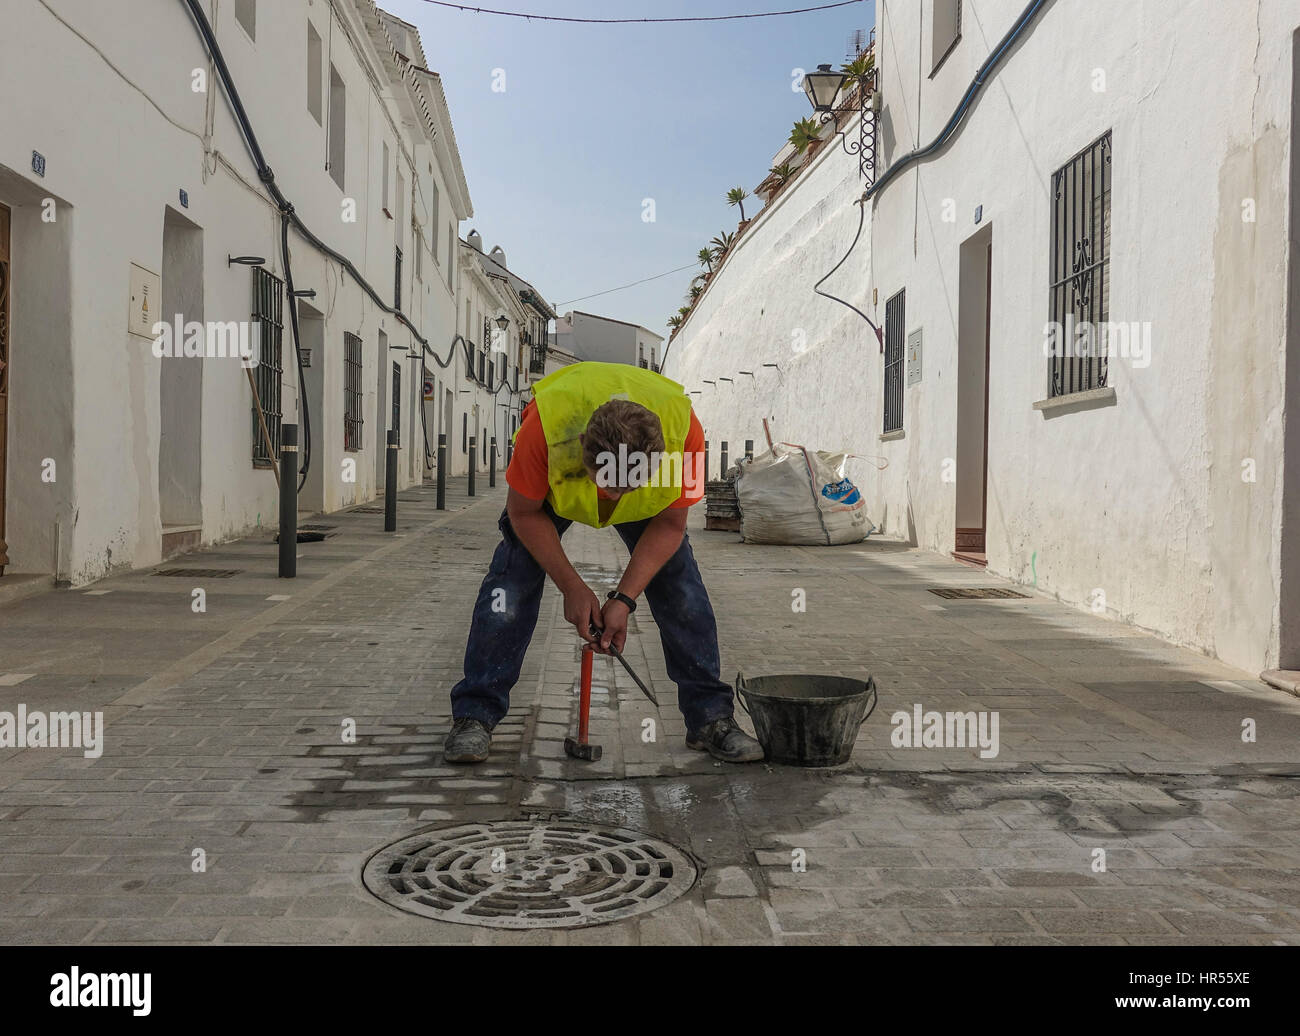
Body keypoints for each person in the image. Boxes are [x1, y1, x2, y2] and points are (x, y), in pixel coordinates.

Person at [444, 361, 763, 765]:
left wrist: (624, 599)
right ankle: (475, 714)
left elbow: (671, 525)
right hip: (550, 496)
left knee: (682, 586)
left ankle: (710, 719)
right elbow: (524, 513)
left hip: (648, 504)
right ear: (581, 445)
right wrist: (572, 587)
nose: (613, 499)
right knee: (510, 581)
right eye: (608, 484)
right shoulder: (543, 428)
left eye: (628, 486)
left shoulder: (688, 435)